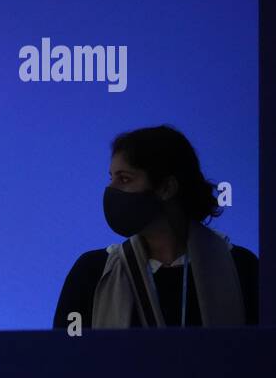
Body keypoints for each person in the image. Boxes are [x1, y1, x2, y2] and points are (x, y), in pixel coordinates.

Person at [53, 125, 259, 329]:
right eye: (111, 178)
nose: (110, 189)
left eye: (124, 179)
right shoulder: (92, 273)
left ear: (166, 188)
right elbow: (65, 356)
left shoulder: (242, 268)